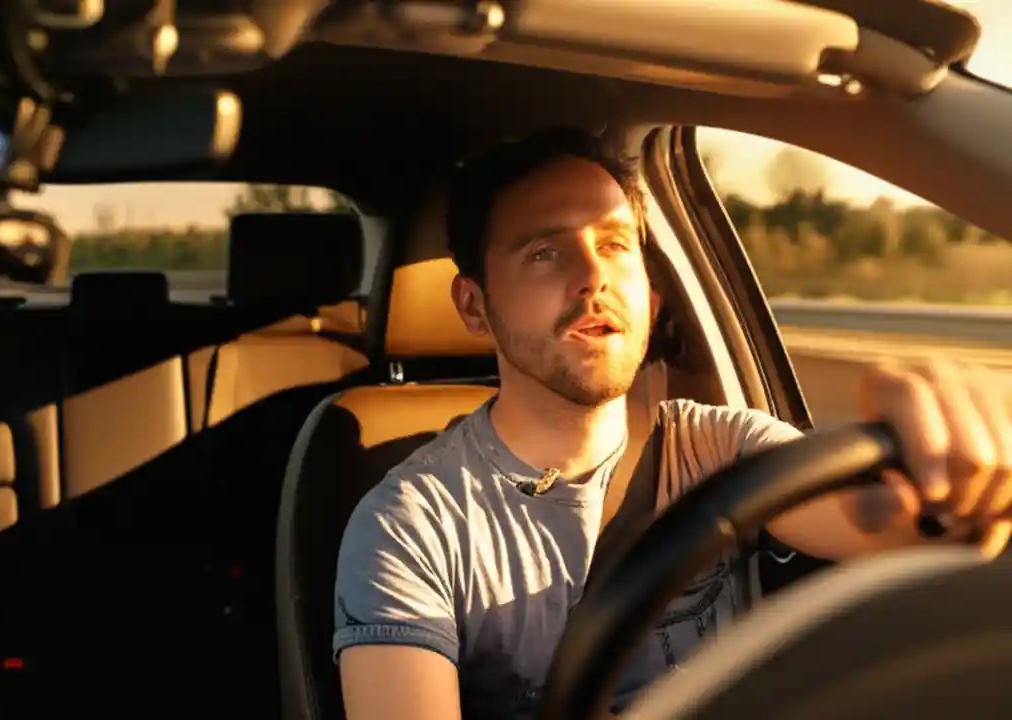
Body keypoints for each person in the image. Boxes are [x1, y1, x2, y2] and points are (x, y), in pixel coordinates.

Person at [332, 128, 1012, 720]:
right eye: (546, 252)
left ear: (649, 292)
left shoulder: (721, 445)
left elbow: (878, 521)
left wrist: (951, 479)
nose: (593, 277)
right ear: (474, 306)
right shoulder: (408, 524)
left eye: (616, 244)